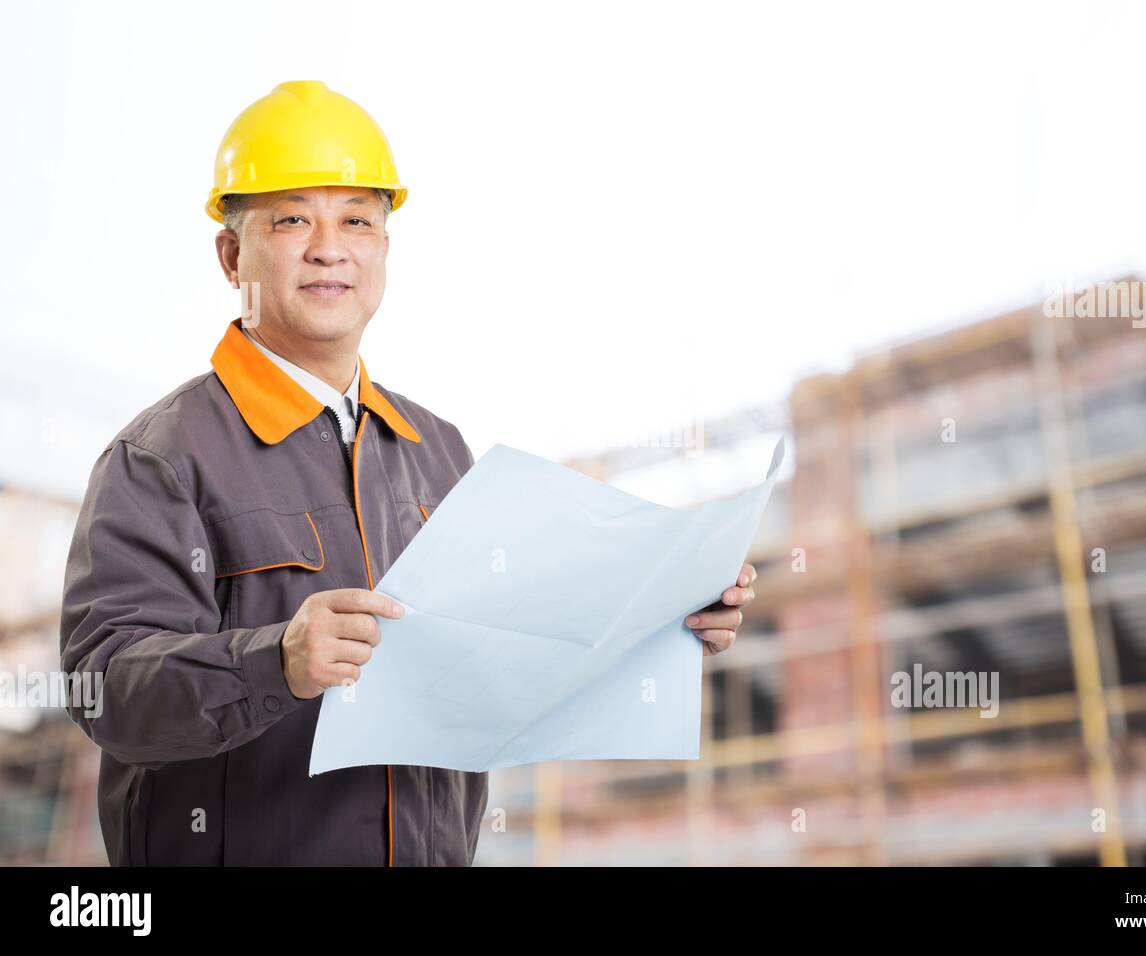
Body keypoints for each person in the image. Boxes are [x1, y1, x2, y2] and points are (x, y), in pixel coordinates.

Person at [58, 80, 756, 866]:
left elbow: (516, 648)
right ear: (232, 255)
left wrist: (664, 620)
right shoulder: (163, 457)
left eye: (357, 219)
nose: (330, 246)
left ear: (383, 248)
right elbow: (106, 689)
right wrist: (275, 661)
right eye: (292, 218)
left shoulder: (436, 449)